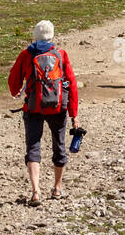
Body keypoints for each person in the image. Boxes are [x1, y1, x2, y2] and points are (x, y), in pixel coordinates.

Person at [7, 20, 79, 205]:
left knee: (33, 146)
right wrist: (74, 114)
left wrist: (16, 91)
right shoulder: (61, 54)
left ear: (35, 35)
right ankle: (57, 188)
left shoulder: (25, 54)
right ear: (52, 35)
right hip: (57, 108)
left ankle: (36, 191)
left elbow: (13, 80)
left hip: (33, 107)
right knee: (59, 145)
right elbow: (71, 84)